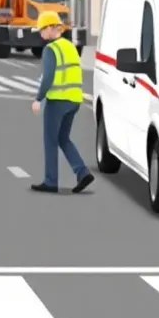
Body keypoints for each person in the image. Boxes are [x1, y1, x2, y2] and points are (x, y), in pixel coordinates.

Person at [29, 11, 94, 194]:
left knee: (50, 140)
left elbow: (48, 77)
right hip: (74, 100)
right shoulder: (69, 46)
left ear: (51, 27)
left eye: (42, 29)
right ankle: (82, 172)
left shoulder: (50, 49)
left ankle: (50, 182)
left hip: (57, 101)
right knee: (63, 139)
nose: (41, 33)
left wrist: (38, 99)